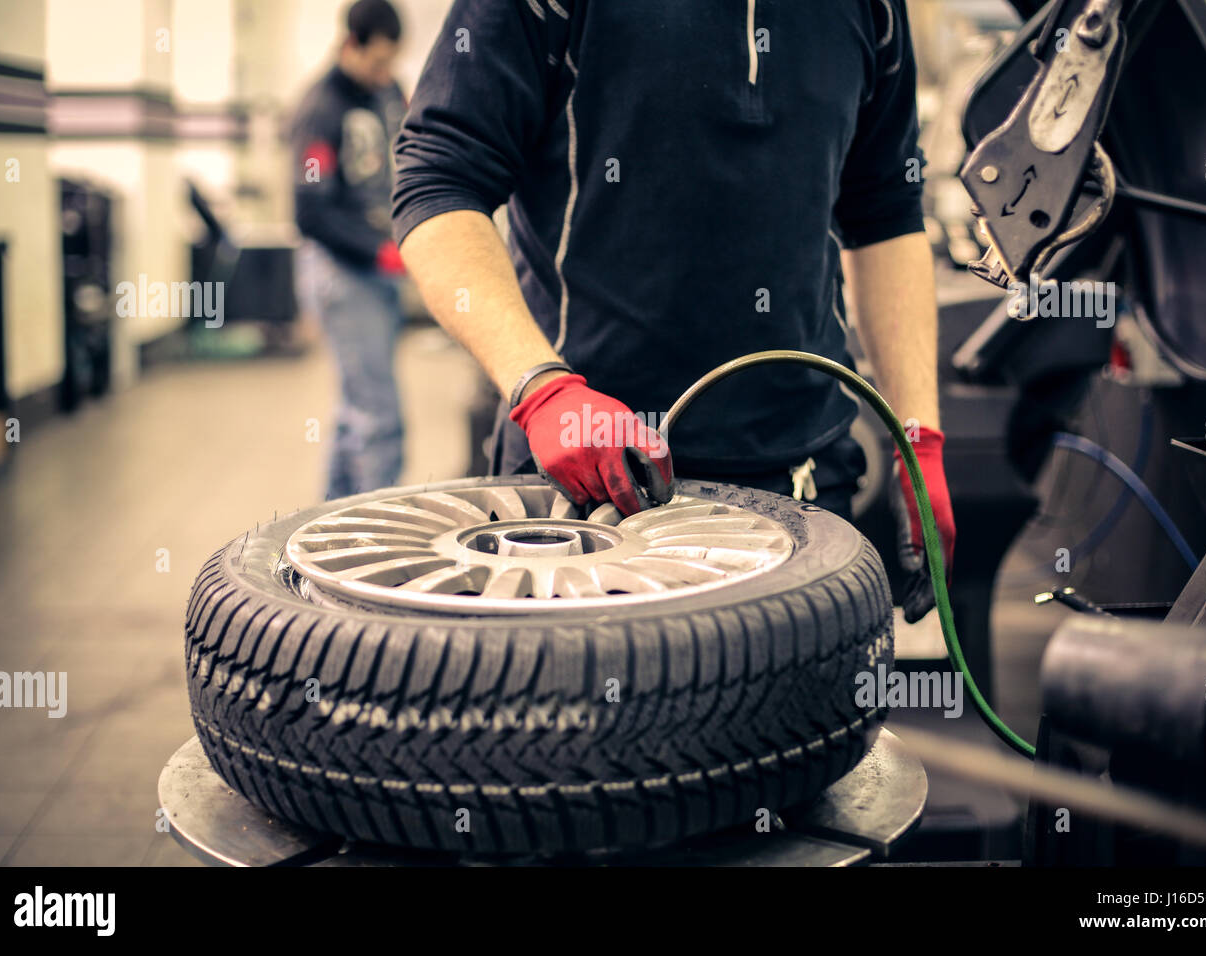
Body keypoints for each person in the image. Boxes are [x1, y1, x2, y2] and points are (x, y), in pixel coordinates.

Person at [391, 0, 956, 621]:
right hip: (585, 497)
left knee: (811, 719)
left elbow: (887, 215)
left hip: (807, 486)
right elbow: (437, 180)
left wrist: (917, 439)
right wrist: (542, 388)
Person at [292, 0, 409, 499]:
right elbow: (310, 211)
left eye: (392, 62)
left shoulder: (388, 93)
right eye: (377, 61)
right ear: (349, 46)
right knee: (379, 420)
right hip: (343, 273)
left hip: (380, 273)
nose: (385, 73)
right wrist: (379, 251)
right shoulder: (322, 108)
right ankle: (374, 542)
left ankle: (326, 532)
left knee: (354, 415)